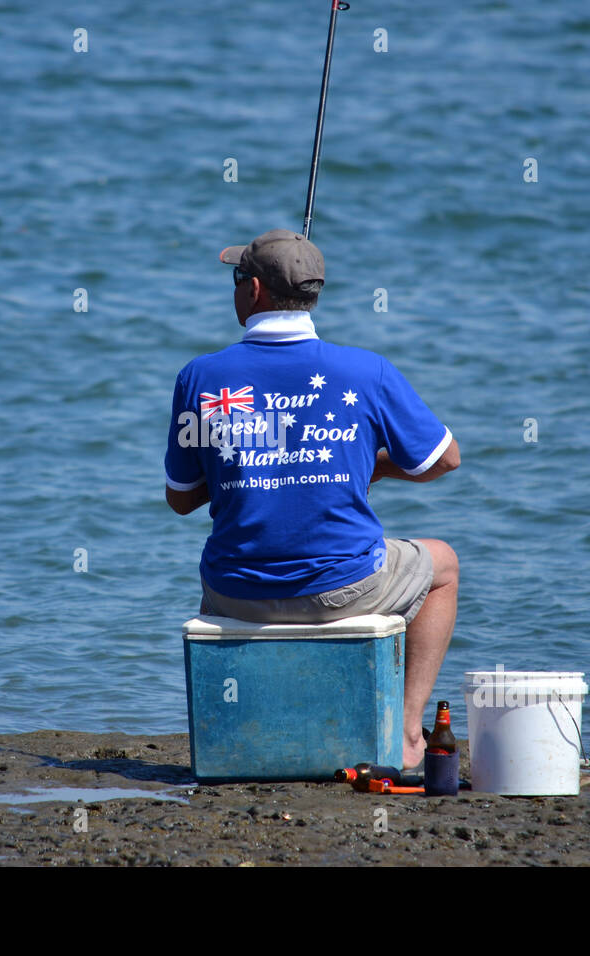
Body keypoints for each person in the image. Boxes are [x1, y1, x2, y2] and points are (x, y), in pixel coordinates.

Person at [164, 228, 460, 771]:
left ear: (253, 291)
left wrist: (246, 466)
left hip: (236, 592)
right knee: (442, 564)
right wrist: (366, 467)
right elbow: (444, 460)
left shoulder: (200, 376)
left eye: (235, 280)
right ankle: (410, 735)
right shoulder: (366, 370)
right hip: (345, 591)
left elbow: (180, 500)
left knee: (224, 562)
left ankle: (248, 733)